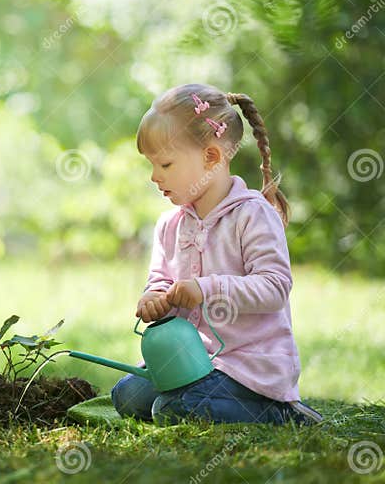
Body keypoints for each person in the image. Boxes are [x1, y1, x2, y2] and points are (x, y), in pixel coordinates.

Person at [111, 84, 323, 425]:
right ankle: (189, 398)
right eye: (152, 165)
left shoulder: (252, 215)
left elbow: (275, 286)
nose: (154, 176)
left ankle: (280, 412)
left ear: (211, 157)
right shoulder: (170, 224)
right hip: (191, 363)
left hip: (247, 370)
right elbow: (160, 279)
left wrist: (206, 289)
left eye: (165, 164)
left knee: (171, 409)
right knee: (127, 395)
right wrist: (154, 297)